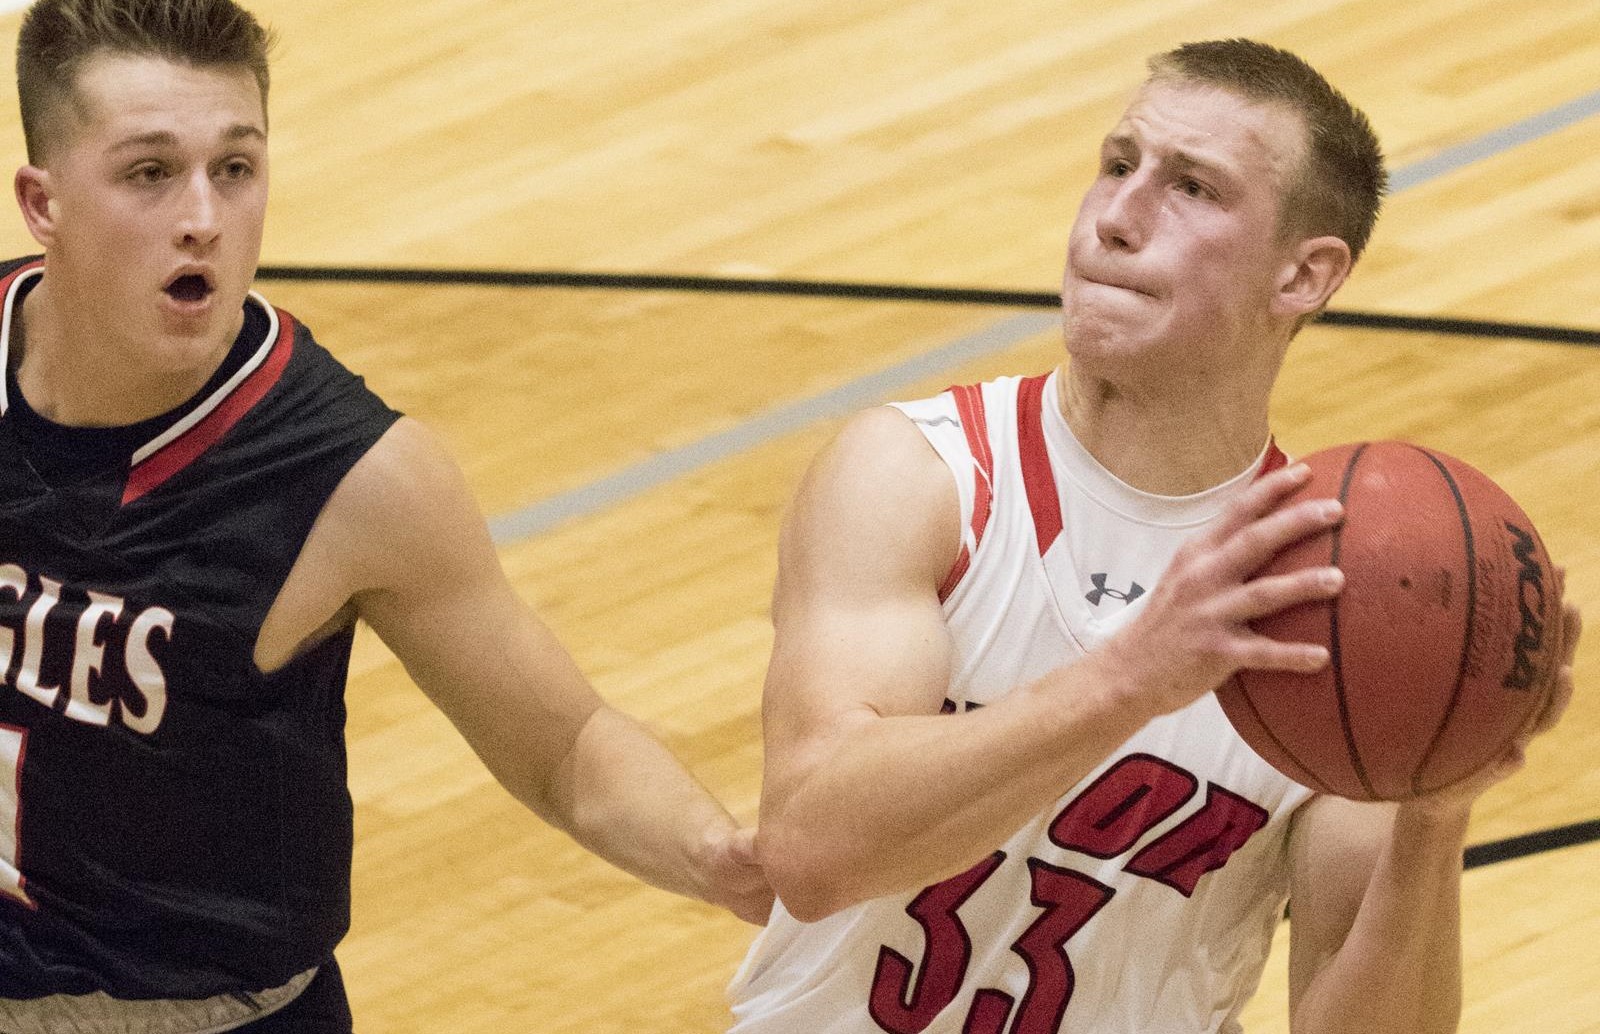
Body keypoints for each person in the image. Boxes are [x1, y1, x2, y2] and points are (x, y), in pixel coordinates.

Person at [729, 38, 1581, 1034]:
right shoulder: (922, 477)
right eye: (1118, 163)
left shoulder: (1334, 601)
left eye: (1192, 188)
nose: (1116, 218)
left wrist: (1433, 816)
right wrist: (1136, 671)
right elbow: (813, 847)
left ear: (1302, 274)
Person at [0, 1, 770, 1031]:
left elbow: (564, 744)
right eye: (149, 173)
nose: (203, 217)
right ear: (42, 204)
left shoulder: (356, 476)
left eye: (235, 167)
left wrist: (723, 857)